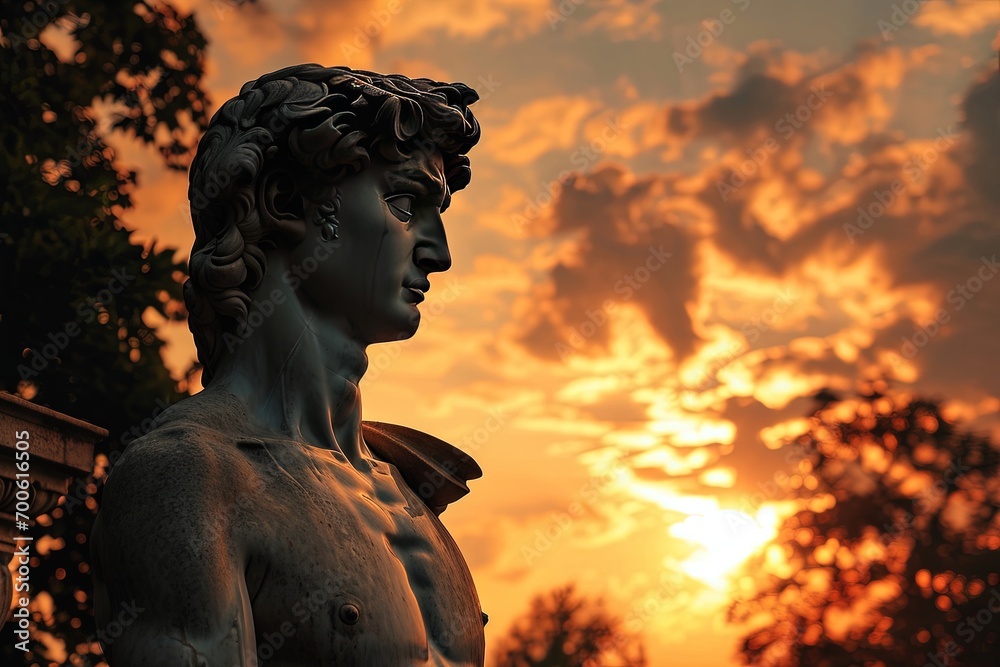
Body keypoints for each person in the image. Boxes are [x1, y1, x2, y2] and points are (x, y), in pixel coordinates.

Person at [91, 64, 485, 666]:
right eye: (405, 203)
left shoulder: (415, 496)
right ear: (284, 201)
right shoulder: (191, 477)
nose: (441, 254)